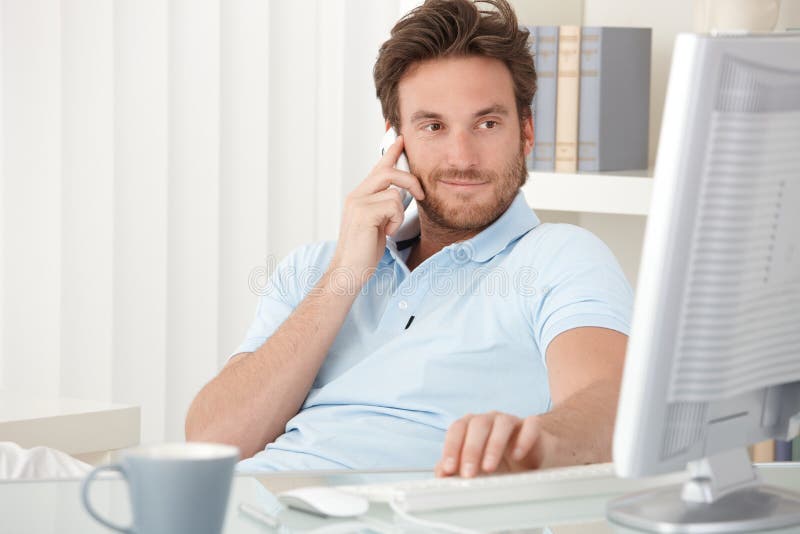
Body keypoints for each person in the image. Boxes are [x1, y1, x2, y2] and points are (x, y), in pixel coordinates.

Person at [185, 0, 632, 478]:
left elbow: (610, 408)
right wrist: (345, 275)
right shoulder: (314, 269)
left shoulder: (561, 257)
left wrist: (531, 446)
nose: (462, 157)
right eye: (433, 126)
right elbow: (213, 442)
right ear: (394, 140)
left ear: (525, 133)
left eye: (486, 123)